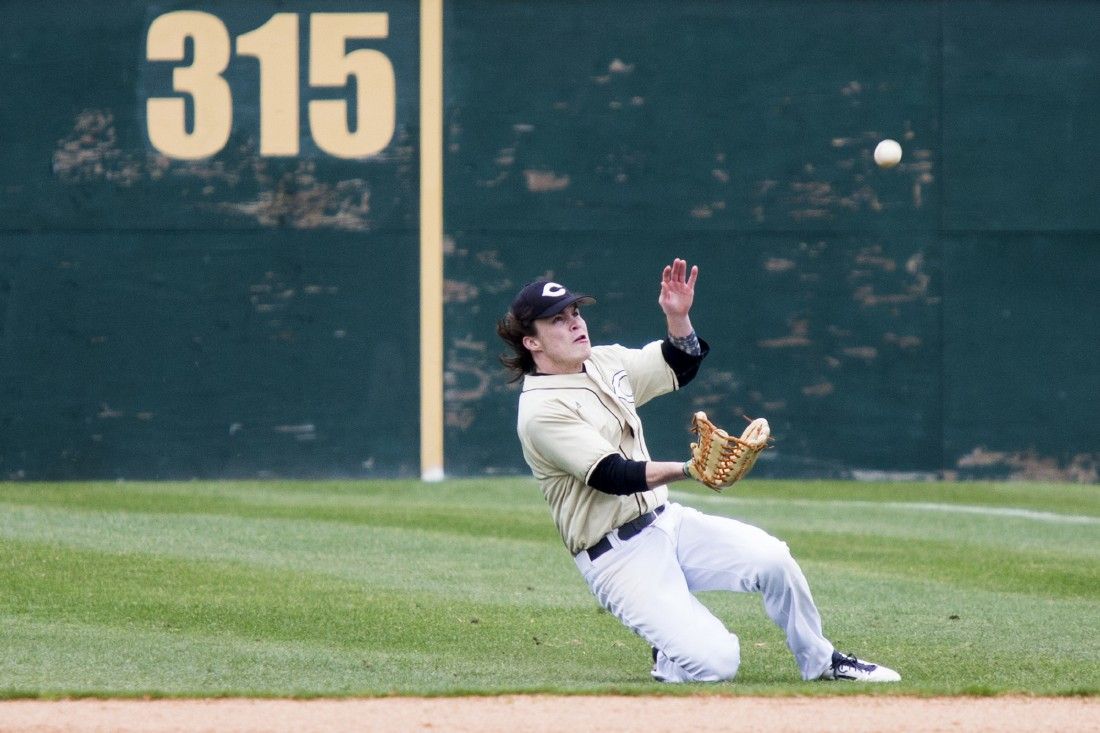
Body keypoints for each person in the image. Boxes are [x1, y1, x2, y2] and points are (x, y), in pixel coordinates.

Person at [496, 258, 900, 683]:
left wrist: (678, 318)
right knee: (717, 663)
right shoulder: (541, 410)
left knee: (773, 560)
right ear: (531, 342)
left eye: (575, 312)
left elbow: (680, 362)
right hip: (617, 557)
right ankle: (670, 655)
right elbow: (612, 475)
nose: (575, 323)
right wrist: (689, 468)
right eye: (557, 320)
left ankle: (821, 661)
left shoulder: (603, 361)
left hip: (667, 522)